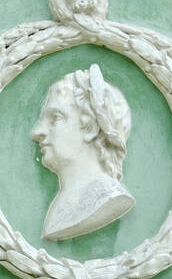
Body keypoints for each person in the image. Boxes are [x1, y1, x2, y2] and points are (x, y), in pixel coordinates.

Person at [31, 64, 134, 240]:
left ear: (90, 128)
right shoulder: (65, 203)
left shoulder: (107, 198)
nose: (37, 131)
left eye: (55, 118)